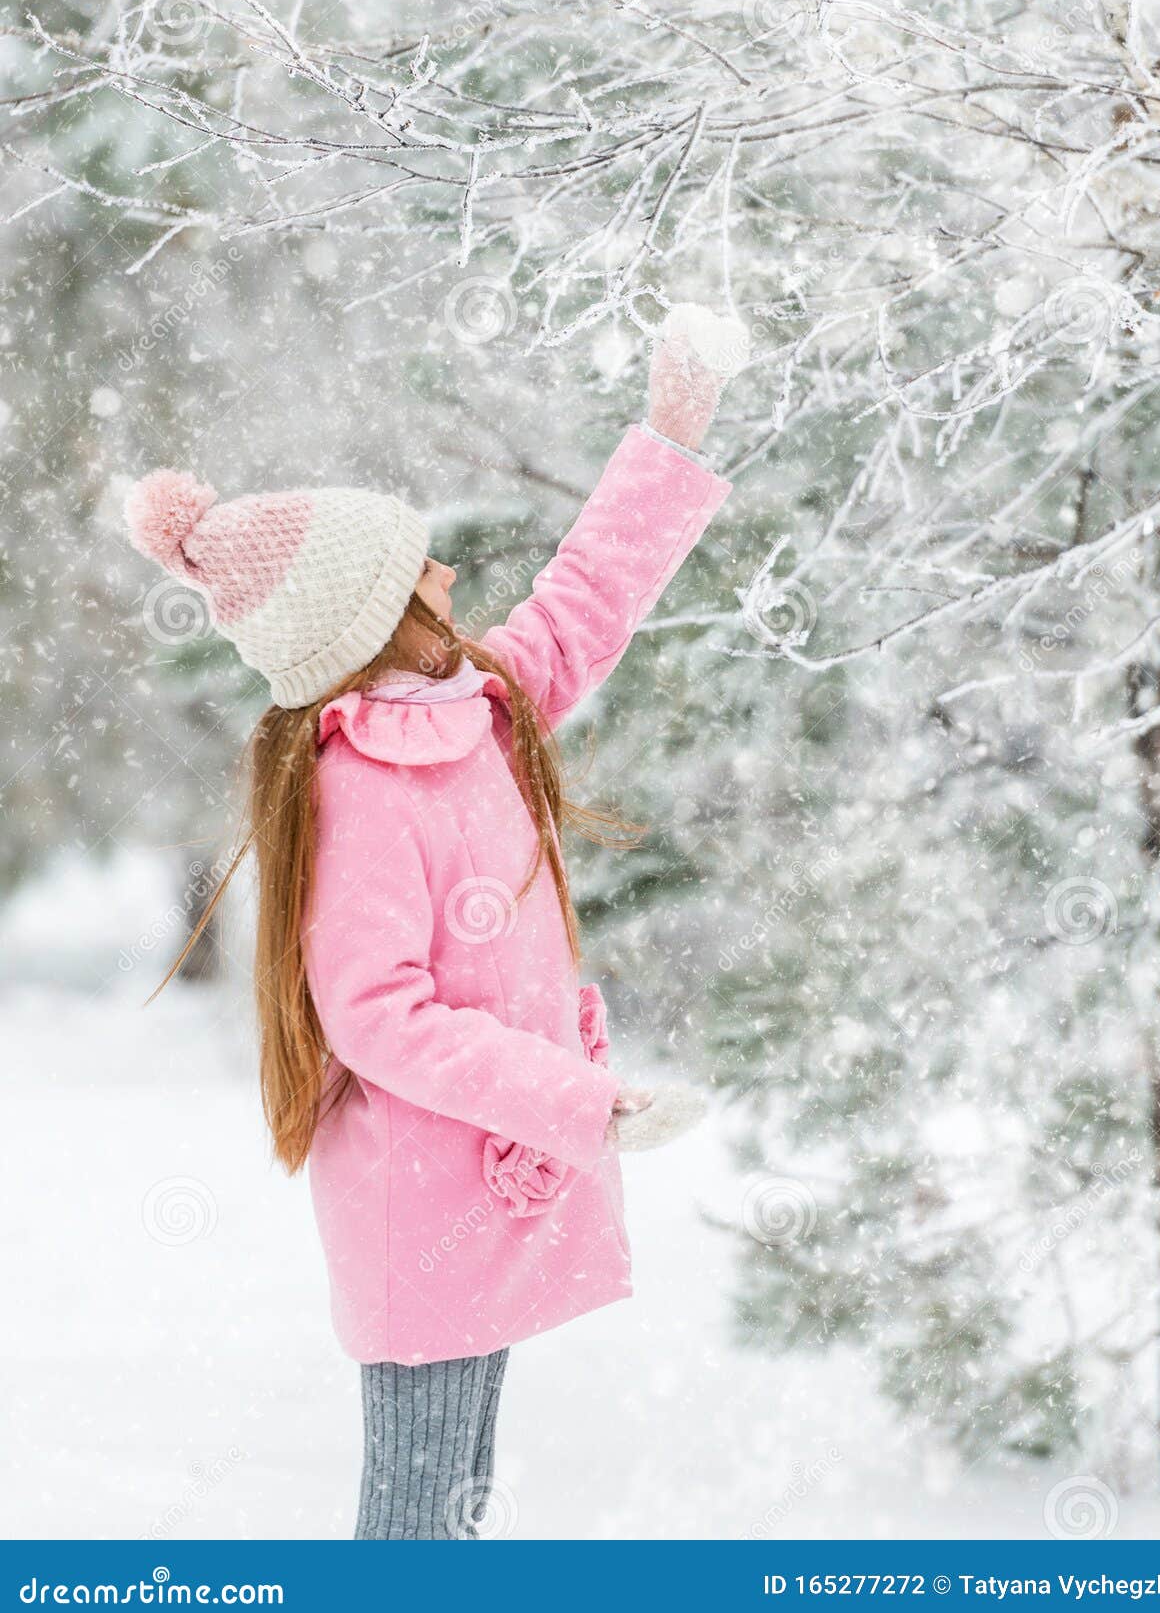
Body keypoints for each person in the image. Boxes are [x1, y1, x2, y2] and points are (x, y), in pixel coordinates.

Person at [125, 312, 742, 1539]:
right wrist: (577, 1098)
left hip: (483, 1183)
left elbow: (584, 601)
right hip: (425, 1199)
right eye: (421, 568)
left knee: (447, 1514)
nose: (449, 575)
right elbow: (377, 1015)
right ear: (375, 619)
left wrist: (669, 436)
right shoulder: (360, 782)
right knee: (413, 1524)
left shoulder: (480, 709)